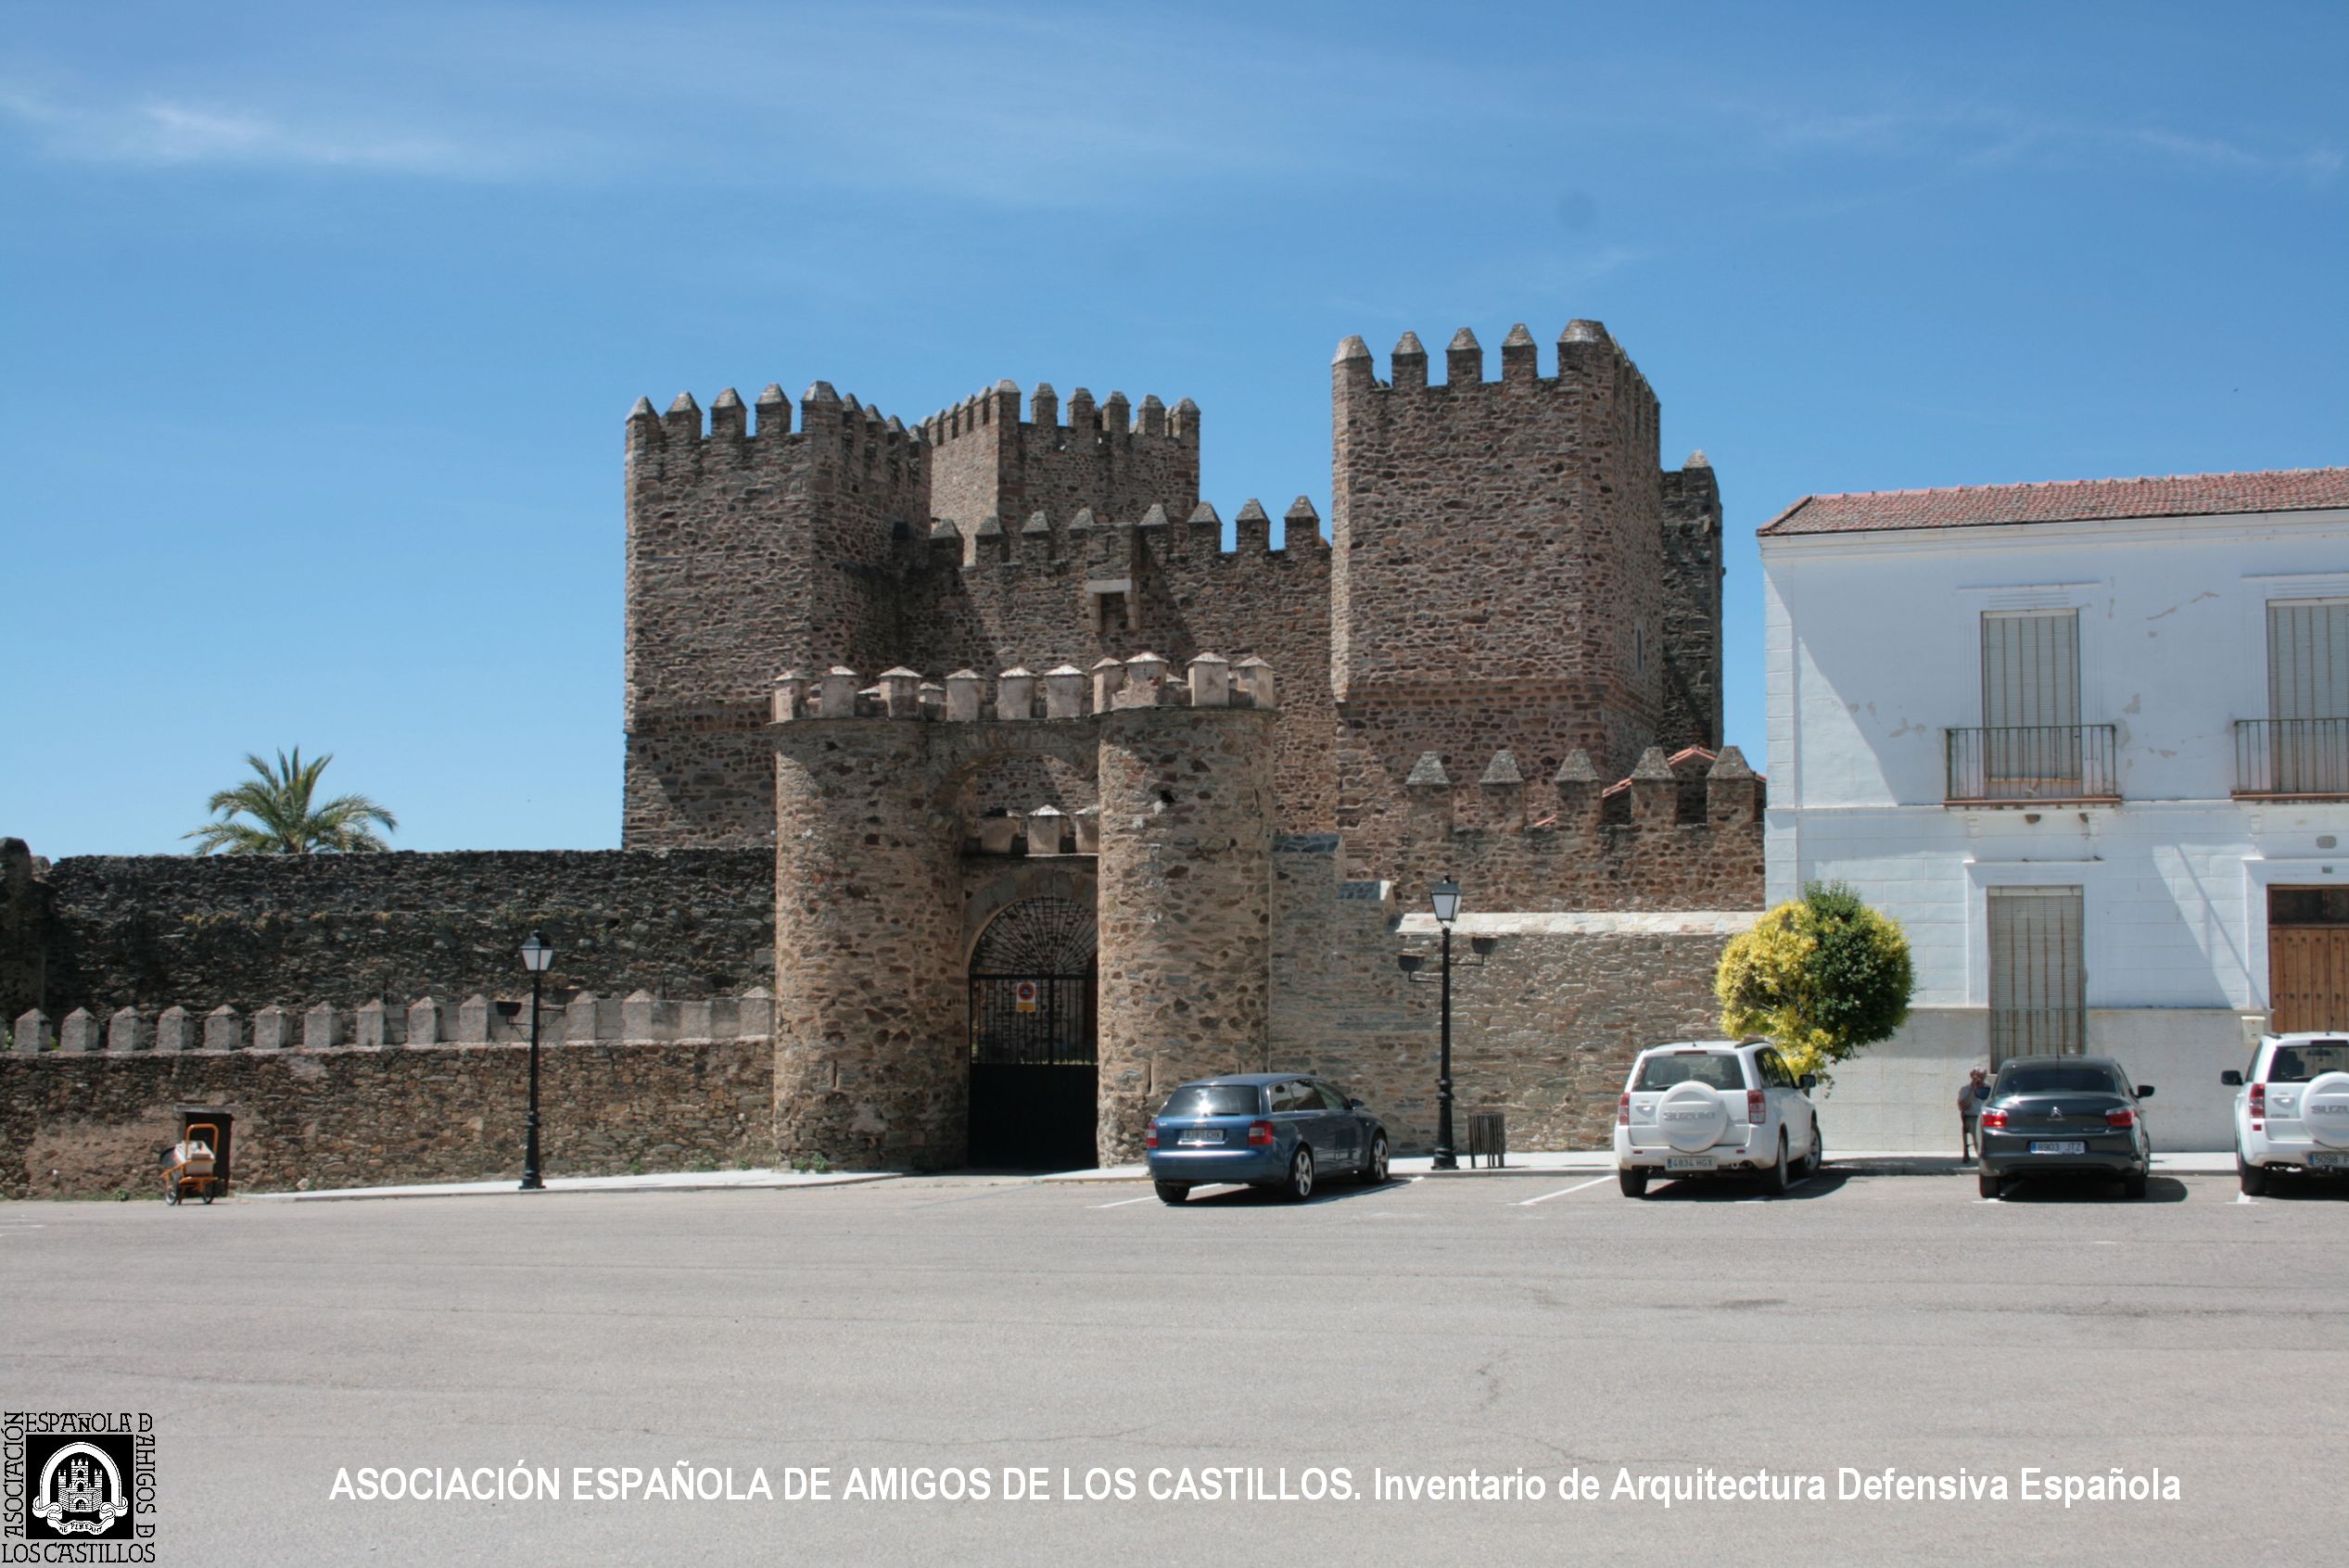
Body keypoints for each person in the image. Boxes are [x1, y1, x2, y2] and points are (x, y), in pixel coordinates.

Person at [1958, 1068, 1990, 1161]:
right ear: (1972, 1076)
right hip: (1972, 1118)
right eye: (1978, 1076)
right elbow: (1963, 1107)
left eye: (1982, 1077)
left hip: (1987, 1117)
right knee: (1977, 1128)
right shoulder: (1965, 1089)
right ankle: (1982, 1156)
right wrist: (1973, 1090)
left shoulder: (1989, 1089)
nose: (1980, 1079)